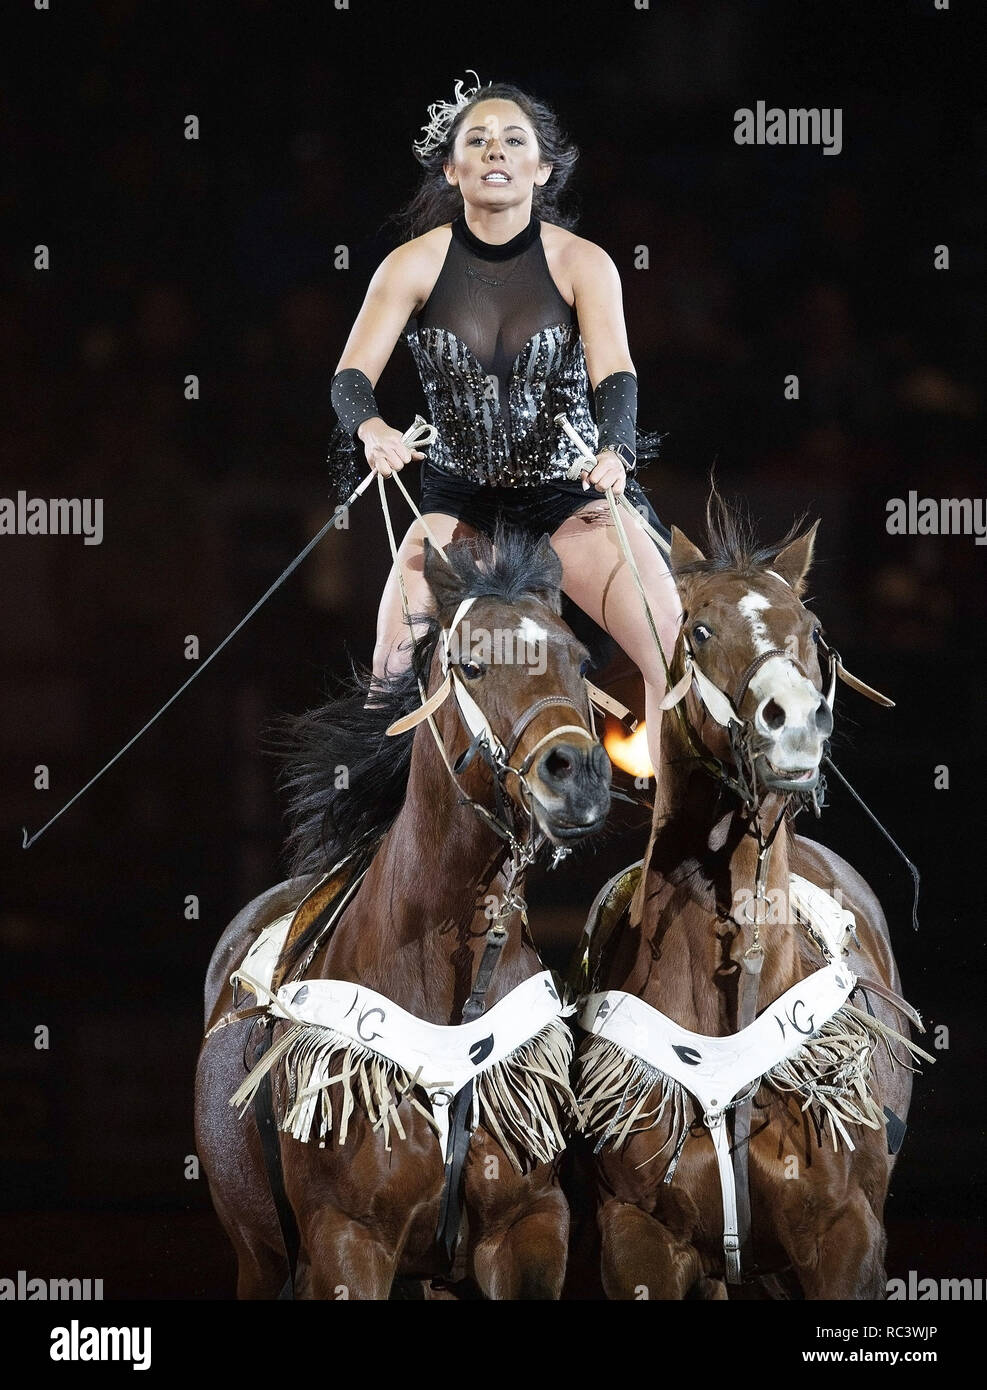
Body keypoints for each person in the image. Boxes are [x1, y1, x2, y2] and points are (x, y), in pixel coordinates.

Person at [329, 75, 680, 775]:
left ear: (541, 169)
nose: (496, 150)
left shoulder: (583, 264)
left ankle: (680, 838)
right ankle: (370, 842)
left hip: (566, 493)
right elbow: (349, 378)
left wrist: (615, 450)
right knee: (390, 665)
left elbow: (615, 372)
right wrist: (371, 430)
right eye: (477, 140)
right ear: (451, 168)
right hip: (459, 500)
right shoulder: (412, 264)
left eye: (513, 140)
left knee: (671, 649)